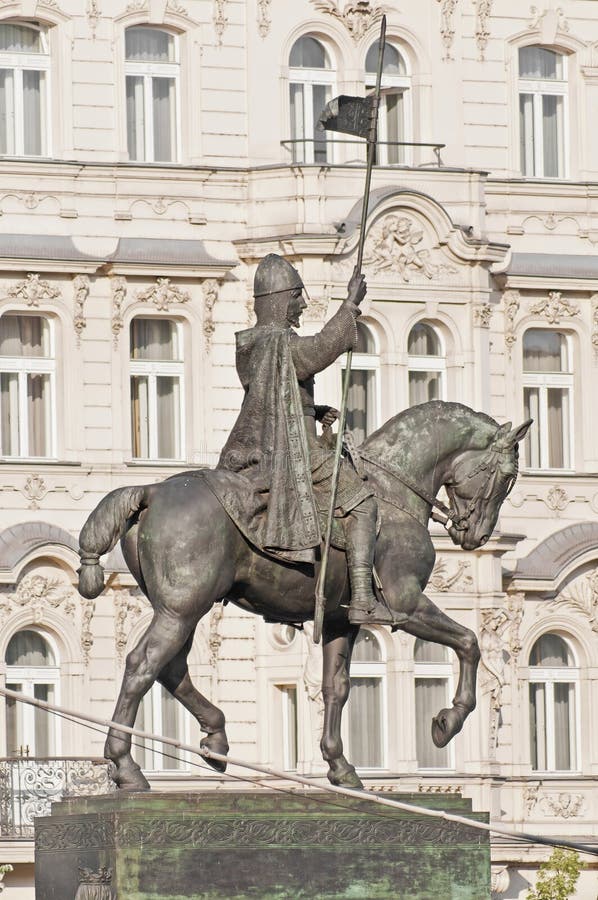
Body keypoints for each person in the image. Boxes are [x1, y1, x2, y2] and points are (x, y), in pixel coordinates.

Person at [218, 253, 393, 626]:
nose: (302, 304)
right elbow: (316, 352)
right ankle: (362, 598)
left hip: (271, 442)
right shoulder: (274, 343)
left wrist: (314, 411)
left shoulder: (257, 345)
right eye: (297, 296)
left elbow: (272, 399)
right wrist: (350, 305)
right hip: (286, 453)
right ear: (281, 300)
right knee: (362, 502)